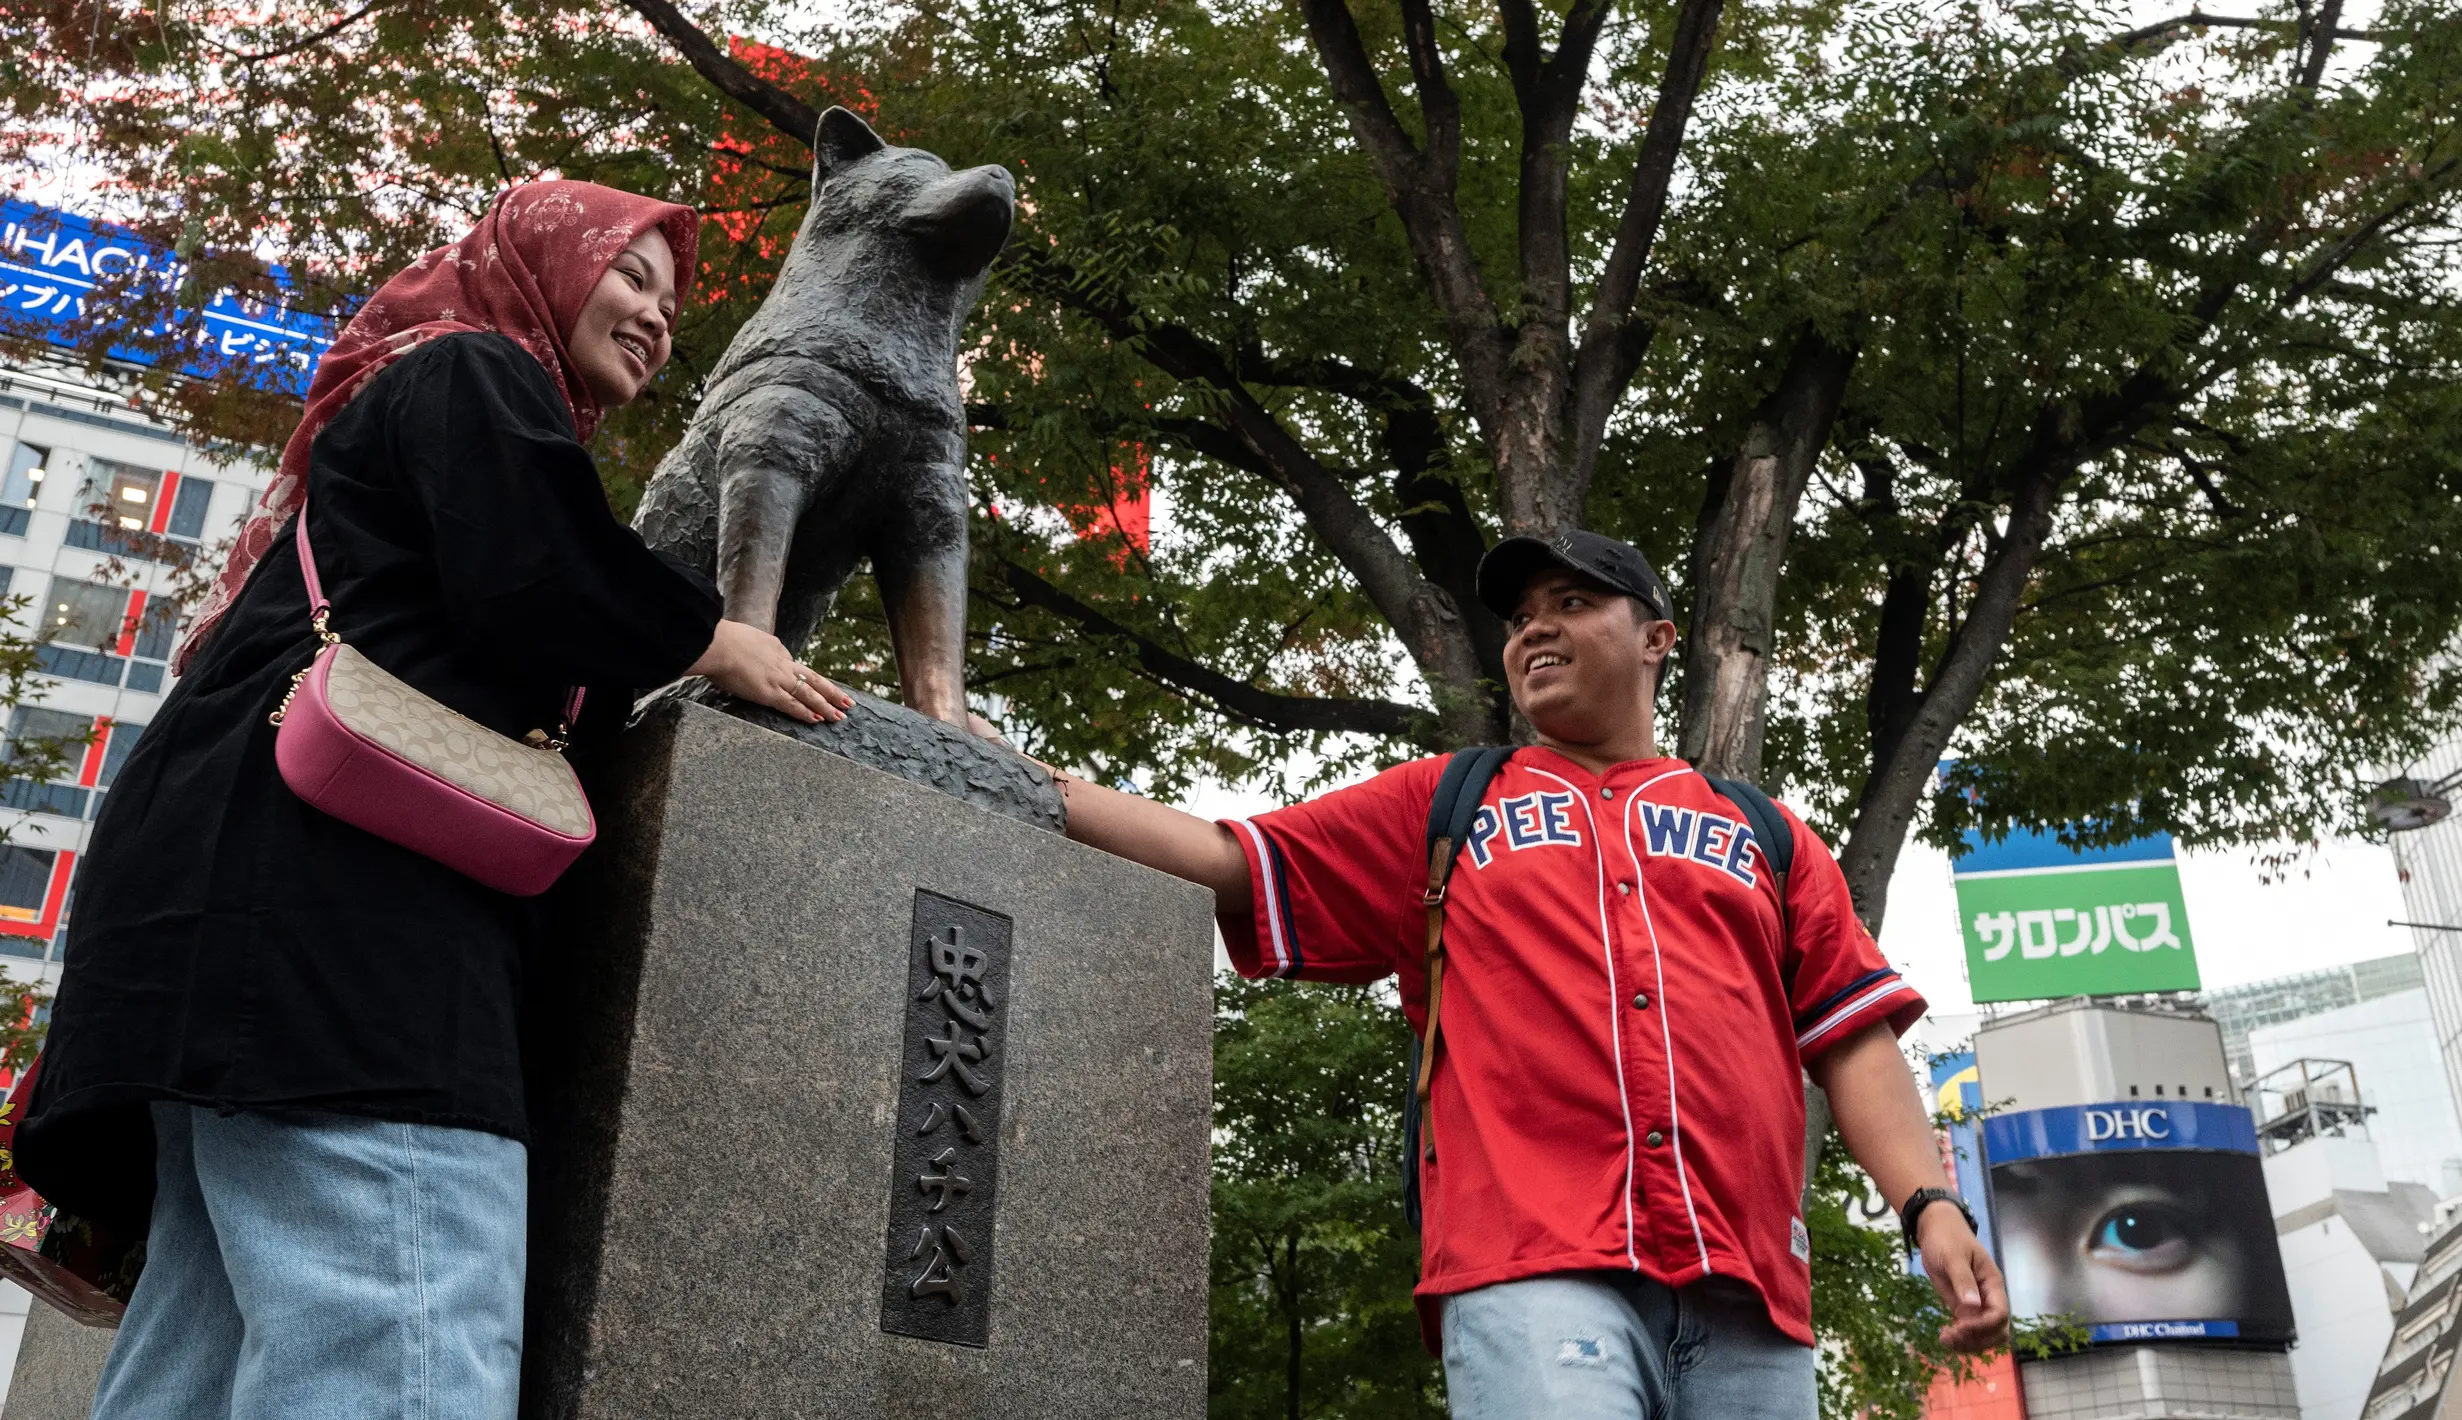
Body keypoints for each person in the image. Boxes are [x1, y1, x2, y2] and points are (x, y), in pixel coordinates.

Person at [17, 181, 854, 1420]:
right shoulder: (473, 370)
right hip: (341, 935)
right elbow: (536, 567)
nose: (655, 320)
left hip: (228, 922)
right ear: (543, 266)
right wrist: (713, 637)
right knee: (401, 1319)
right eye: (630, 276)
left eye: (671, 308)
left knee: (202, 1341)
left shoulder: (395, 399)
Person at [1049, 531, 2011, 1417]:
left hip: (1752, 1289)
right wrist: (1024, 780)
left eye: (1573, 602)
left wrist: (1929, 1205)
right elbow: (1226, 858)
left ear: (1656, 639)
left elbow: (1851, 1037)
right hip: (1532, 1268)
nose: (1536, 627)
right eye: (1519, 619)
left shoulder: (1764, 829)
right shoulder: (1448, 802)